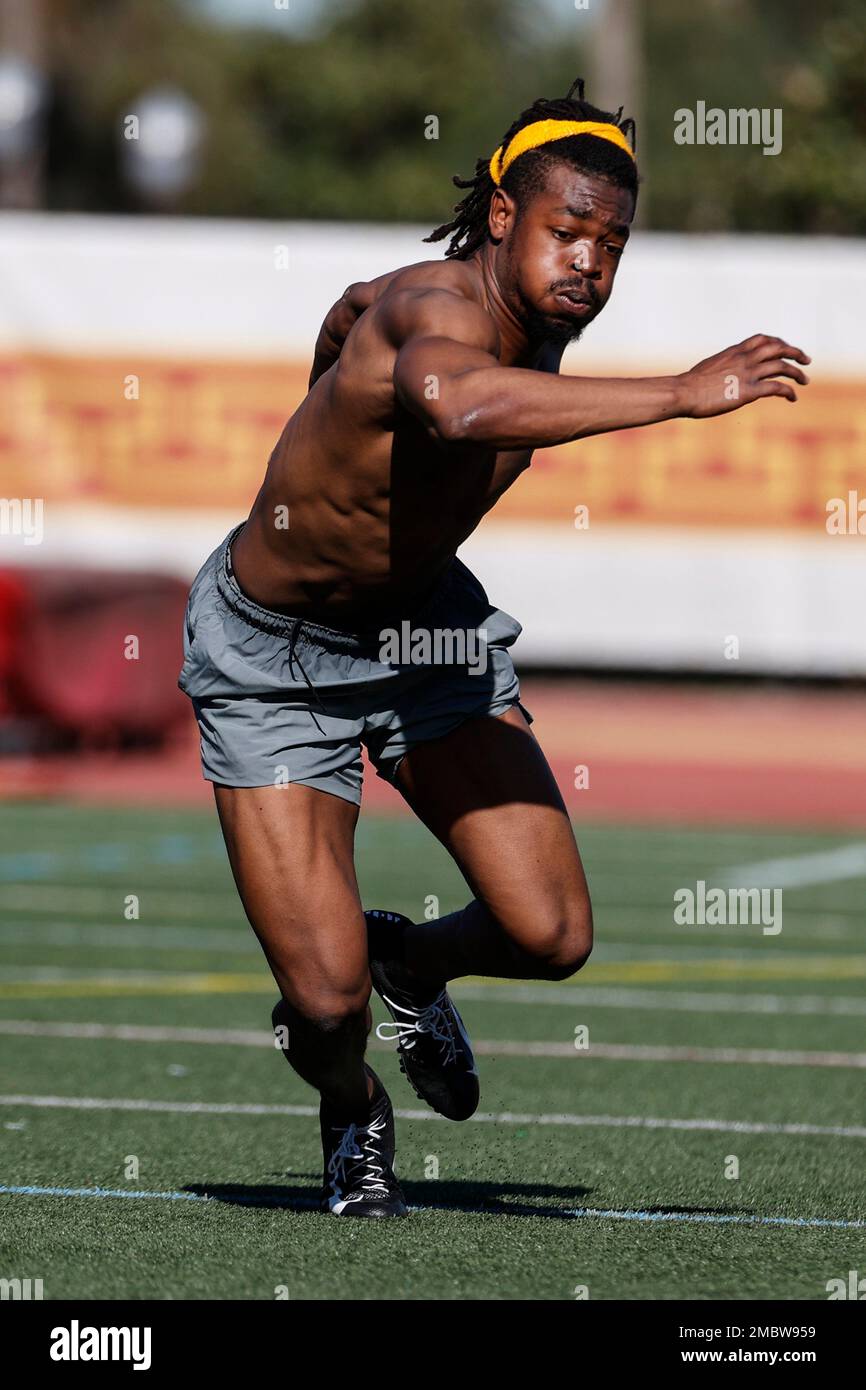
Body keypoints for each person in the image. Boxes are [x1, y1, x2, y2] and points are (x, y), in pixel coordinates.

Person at [178, 78, 810, 1218]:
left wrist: (332, 375)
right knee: (322, 1009)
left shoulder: (512, 320)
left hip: (421, 629)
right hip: (274, 655)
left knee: (550, 931)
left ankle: (411, 962)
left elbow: (348, 304)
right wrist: (680, 391)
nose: (588, 264)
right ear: (504, 218)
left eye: (610, 244)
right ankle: (353, 1105)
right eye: (567, 232)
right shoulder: (446, 315)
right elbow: (460, 406)